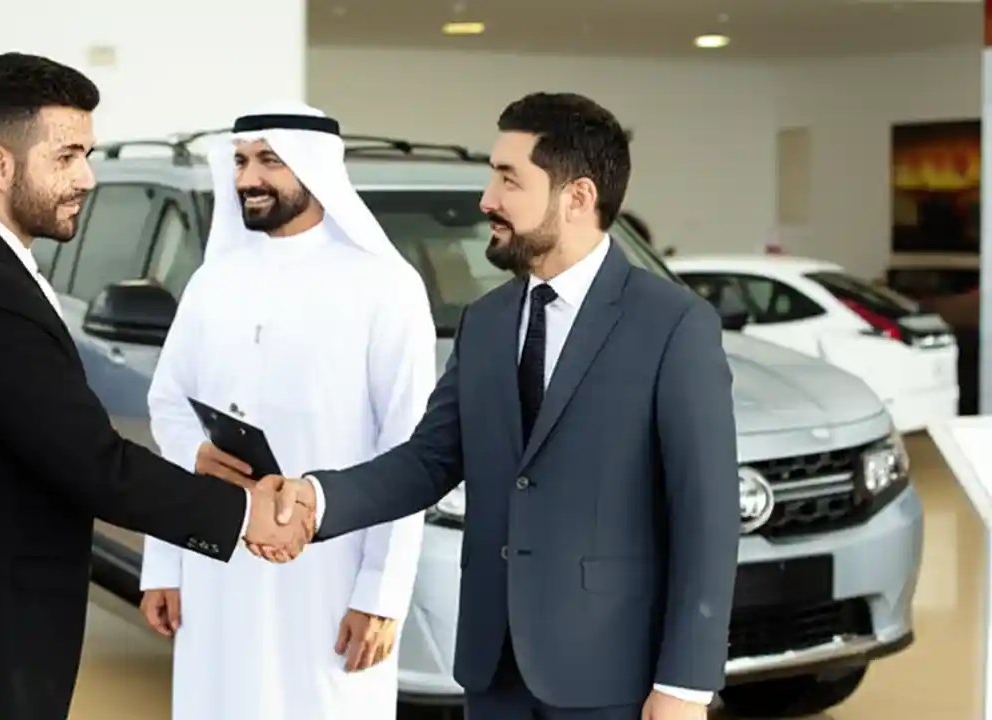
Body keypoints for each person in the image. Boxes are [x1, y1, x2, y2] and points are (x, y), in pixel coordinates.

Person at [252, 92, 740, 720]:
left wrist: (685, 685)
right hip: (493, 670)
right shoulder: (485, 321)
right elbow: (429, 460)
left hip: (614, 676)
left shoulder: (674, 324)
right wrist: (316, 499)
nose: (487, 199)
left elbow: (706, 519)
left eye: (509, 179)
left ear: (578, 197)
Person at [0, 52, 298, 720]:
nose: (87, 177)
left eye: (85, 154)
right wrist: (242, 513)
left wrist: (193, 470)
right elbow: (91, 464)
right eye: (65, 157)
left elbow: (41, 441)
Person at [136, 102, 435, 720]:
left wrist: (381, 594)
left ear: (314, 166)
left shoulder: (385, 286)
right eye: (241, 161)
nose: (248, 179)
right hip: (218, 565)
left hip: (330, 573)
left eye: (269, 160)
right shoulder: (213, 281)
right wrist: (164, 562)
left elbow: (410, 450)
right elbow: (168, 404)